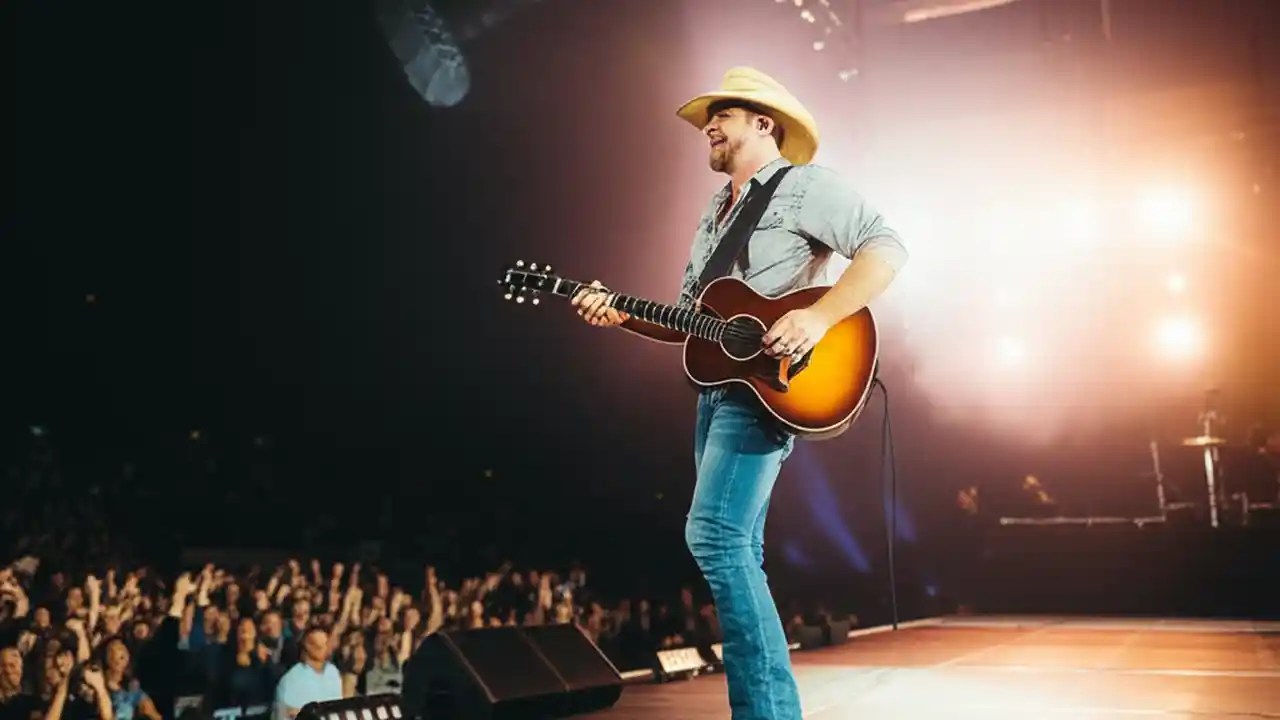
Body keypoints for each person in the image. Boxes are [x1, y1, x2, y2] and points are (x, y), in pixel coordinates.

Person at [571, 66, 907, 719]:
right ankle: (771, 708)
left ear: (763, 122)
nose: (708, 129)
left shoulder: (806, 187)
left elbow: (886, 246)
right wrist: (617, 311)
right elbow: (694, 321)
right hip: (720, 391)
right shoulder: (714, 210)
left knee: (714, 536)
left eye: (720, 115)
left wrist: (818, 316)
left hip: (773, 389)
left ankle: (767, 713)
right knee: (736, 545)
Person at [273, 627, 341, 720]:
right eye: (317, 645)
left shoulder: (333, 672)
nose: (323, 648)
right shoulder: (291, 680)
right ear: (306, 646)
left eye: (325, 644)